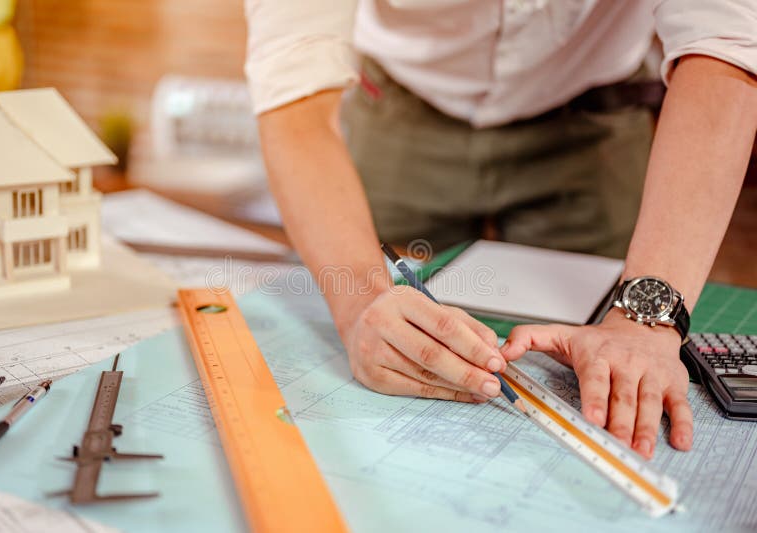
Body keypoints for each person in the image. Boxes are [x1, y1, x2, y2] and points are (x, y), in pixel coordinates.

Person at [244, 0, 757, 460]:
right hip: (402, 108)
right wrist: (358, 306)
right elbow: (294, 89)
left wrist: (645, 322)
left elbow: (725, 46)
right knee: (389, 332)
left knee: (617, 365)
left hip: (591, 115)